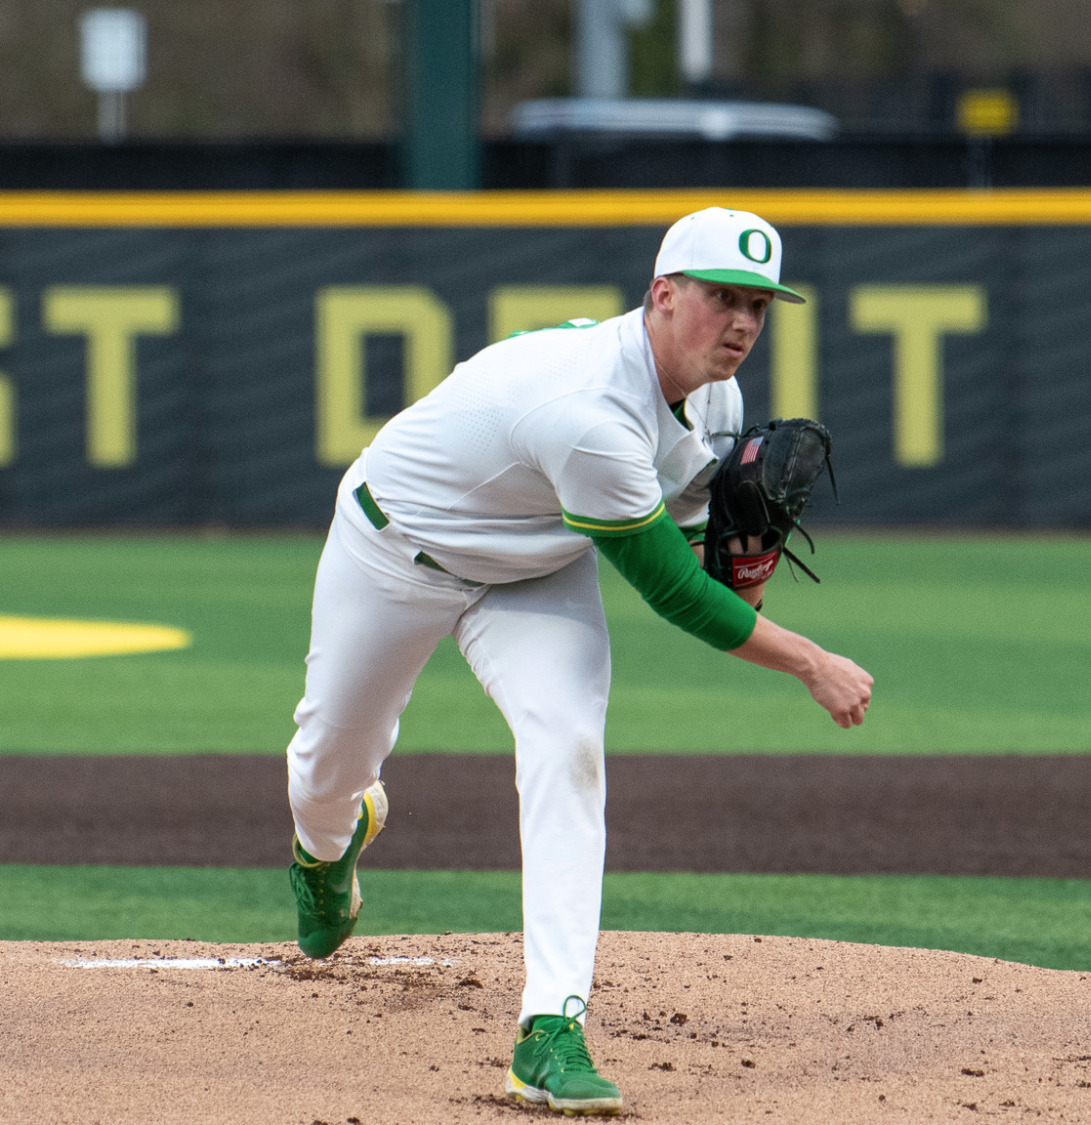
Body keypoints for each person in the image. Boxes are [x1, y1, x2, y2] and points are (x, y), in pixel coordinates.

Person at [283, 207, 872, 1116]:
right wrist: (808, 661)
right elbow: (674, 592)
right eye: (724, 298)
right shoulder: (590, 413)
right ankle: (331, 841)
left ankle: (550, 1029)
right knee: (326, 765)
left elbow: (701, 561)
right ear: (663, 295)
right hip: (397, 548)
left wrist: (746, 563)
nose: (745, 323)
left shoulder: (717, 399)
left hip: (533, 569)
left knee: (567, 745)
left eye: (760, 303)